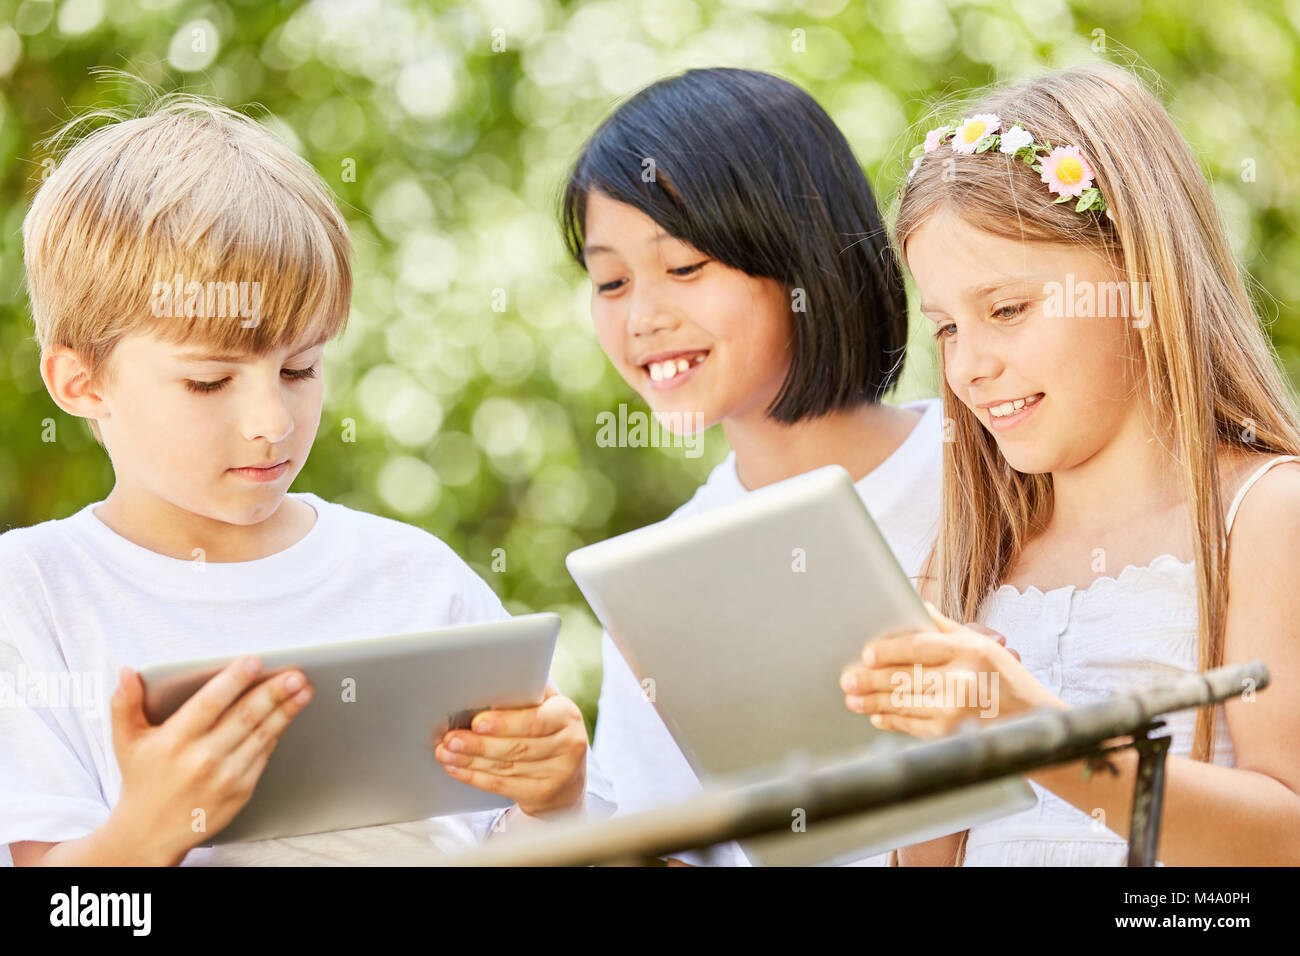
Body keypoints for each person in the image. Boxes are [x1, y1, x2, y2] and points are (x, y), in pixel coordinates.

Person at [2, 94, 610, 866]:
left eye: (300, 368)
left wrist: (553, 804)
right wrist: (144, 831)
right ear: (81, 383)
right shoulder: (30, 598)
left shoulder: (417, 581)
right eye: (208, 383)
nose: (272, 421)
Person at [841, 63, 1300, 865]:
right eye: (947, 328)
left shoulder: (1264, 516)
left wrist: (1029, 730)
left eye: (1007, 309)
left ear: (1141, 281)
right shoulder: (967, 562)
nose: (969, 366)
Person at [560, 67, 949, 866]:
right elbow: (663, 837)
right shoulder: (661, 570)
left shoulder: (980, 466)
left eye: (685, 267)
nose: (643, 318)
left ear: (795, 256)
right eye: (610, 281)